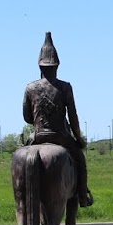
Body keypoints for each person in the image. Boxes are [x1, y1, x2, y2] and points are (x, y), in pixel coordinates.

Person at [22, 32, 92, 207]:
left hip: (38, 137)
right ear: (56, 66)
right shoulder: (65, 87)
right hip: (61, 136)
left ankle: (23, 195)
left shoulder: (30, 88)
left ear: (40, 67)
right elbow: (73, 117)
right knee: (80, 161)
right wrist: (79, 139)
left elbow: (27, 117)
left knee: (23, 161)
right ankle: (83, 196)